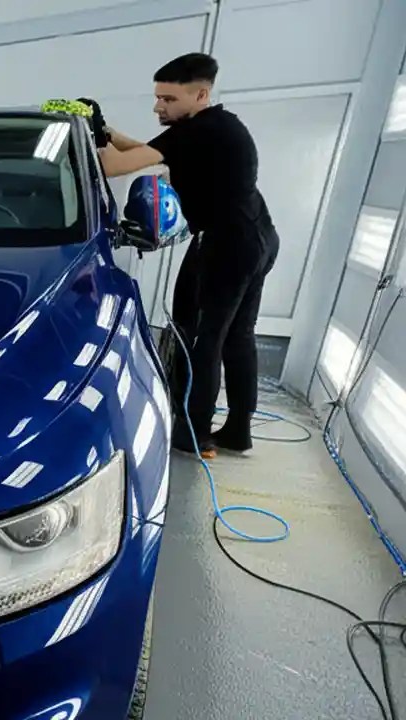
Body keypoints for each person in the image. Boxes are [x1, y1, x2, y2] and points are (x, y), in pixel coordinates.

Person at [89, 53, 280, 457]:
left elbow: (110, 166)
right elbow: (148, 151)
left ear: (200, 94)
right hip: (256, 236)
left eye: (169, 99)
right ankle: (237, 432)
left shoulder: (193, 133)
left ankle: (194, 436)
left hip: (228, 244)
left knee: (203, 338)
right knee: (239, 335)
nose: (159, 106)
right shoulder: (216, 126)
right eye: (158, 97)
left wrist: (87, 137)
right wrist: (105, 128)